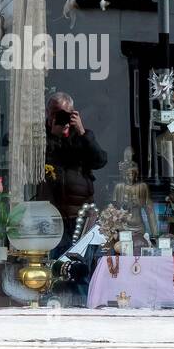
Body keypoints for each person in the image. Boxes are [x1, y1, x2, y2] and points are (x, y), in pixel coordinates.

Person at [43, 92, 107, 247]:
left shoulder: (81, 136)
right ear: (47, 113)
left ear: (73, 114)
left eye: (65, 114)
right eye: (56, 114)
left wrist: (82, 132)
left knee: (81, 263)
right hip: (51, 215)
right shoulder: (40, 137)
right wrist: (54, 136)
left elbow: (100, 161)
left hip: (80, 214)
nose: (60, 118)